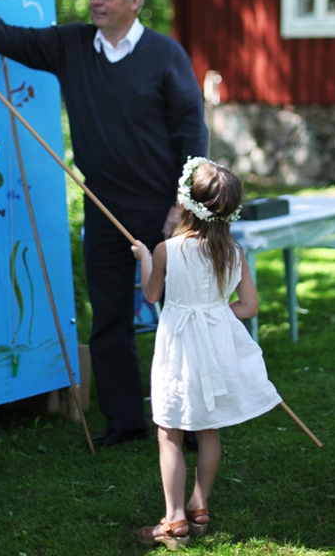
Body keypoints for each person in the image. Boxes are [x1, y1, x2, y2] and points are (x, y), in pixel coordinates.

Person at [0, 0, 207, 446]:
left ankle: (191, 423)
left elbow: (192, 130)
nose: (96, 2)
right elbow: (6, 37)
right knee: (109, 319)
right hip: (102, 204)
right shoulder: (72, 45)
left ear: (135, 1)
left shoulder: (165, 55)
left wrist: (183, 204)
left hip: (163, 209)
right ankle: (125, 421)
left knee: (180, 316)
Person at [131, 157, 281, 549]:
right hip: (214, 350)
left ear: (185, 204)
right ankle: (198, 504)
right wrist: (215, 312)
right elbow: (249, 306)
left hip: (178, 351)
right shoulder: (233, 252)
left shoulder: (166, 249)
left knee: (170, 431)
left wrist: (145, 259)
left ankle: (174, 519)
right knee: (208, 428)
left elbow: (152, 294)